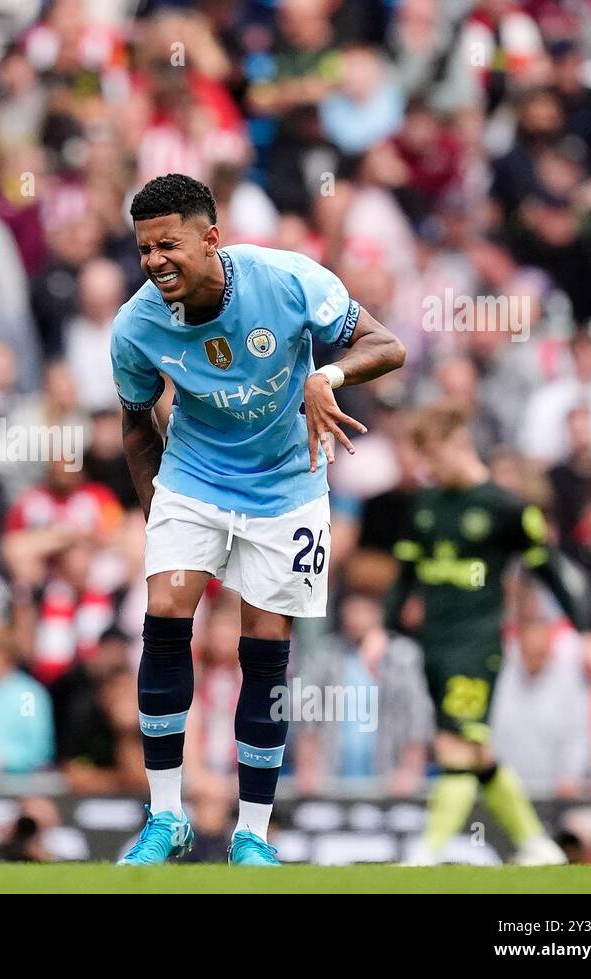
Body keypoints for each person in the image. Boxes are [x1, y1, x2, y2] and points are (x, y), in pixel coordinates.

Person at [109, 173, 406, 865]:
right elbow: (134, 423)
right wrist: (162, 516)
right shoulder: (137, 324)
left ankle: (252, 834)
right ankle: (165, 818)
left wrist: (325, 377)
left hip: (287, 486)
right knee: (165, 611)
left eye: (168, 246)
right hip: (193, 477)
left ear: (211, 238)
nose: (155, 262)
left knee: (264, 646)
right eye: (145, 250)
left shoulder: (289, 280)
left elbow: (387, 345)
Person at [388, 403, 591, 866]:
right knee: (476, 749)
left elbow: (552, 574)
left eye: (434, 457)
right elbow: (406, 577)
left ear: (459, 444)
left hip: (479, 640)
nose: (428, 468)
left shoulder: (507, 509)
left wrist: (585, 634)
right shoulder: (425, 507)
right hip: (435, 644)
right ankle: (536, 844)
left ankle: (428, 850)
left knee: (453, 743)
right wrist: (382, 632)